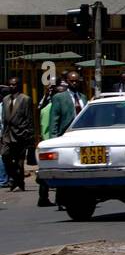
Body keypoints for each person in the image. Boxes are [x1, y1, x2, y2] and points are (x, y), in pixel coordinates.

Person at [38, 72, 86, 208]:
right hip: (65, 137)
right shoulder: (60, 98)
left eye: (77, 81)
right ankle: (61, 200)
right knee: (65, 168)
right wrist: (54, 140)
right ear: (67, 82)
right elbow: (54, 121)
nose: (75, 83)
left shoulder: (83, 97)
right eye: (72, 81)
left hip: (82, 138)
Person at [1, 77, 35, 191]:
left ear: (18, 86)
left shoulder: (25, 99)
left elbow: (29, 119)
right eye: (10, 84)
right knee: (5, 156)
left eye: (14, 85)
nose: (12, 86)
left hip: (21, 134)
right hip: (7, 135)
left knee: (20, 162)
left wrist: (29, 136)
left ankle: (19, 182)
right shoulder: (5, 99)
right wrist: (2, 135)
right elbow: (4, 120)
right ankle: (16, 179)